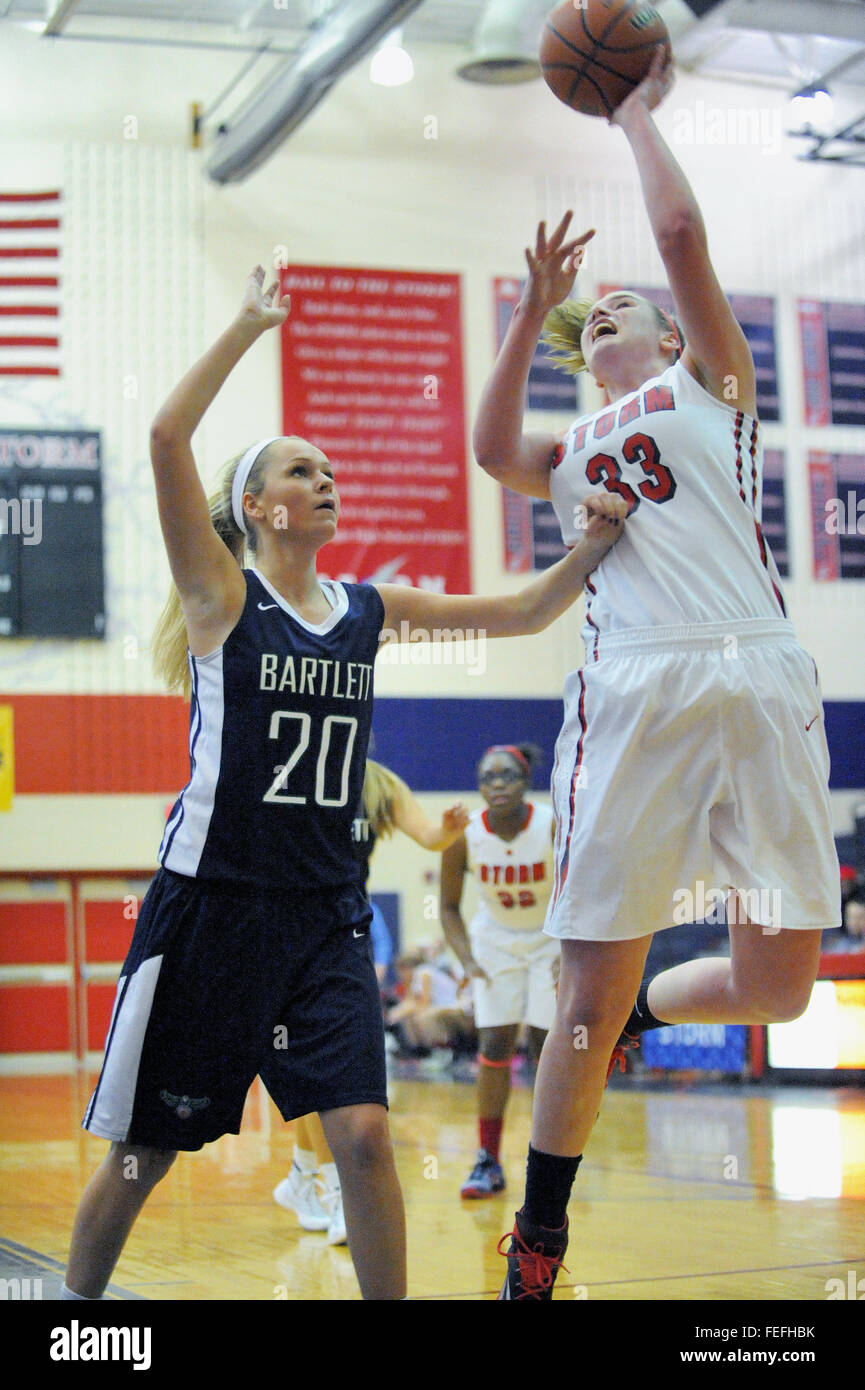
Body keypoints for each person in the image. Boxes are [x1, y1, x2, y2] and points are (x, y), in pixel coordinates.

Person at [60, 265, 628, 1302]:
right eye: (301, 469)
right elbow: (163, 443)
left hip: (324, 916)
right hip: (212, 911)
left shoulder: (364, 609)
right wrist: (244, 326)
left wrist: (592, 539)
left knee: (364, 1135)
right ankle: (74, 1318)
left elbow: (520, 614)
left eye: (329, 468)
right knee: (145, 1157)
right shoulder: (220, 597)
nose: (326, 478)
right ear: (257, 506)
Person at [473, 50, 840, 1299]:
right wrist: (533, 308)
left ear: (679, 338)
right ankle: (541, 1229)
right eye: (603, 314)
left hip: (761, 671)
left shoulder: (712, 388)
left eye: (631, 304)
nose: (614, 310)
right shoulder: (572, 445)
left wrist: (632, 116)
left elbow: (678, 226)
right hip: (631, 684)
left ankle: (643, 1019)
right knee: (587, 976)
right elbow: (486, 448)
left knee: (780, 989)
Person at [273, 760, 469, 1245]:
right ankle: (310, 1179)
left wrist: (445, 831)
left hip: (341, 933)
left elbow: (428, 836)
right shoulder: (289, 761)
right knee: (303, 1073)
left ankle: (319, 1182)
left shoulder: (378, 781)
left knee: (334, 1076)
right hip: (281, 931)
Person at [439, 743, 557, 1200]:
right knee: (494, 1043)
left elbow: (580, 885)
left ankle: (548, 1157)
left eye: (507, 775)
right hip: (495, 940)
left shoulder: (550, 823)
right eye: (488, 777)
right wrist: (467, 960)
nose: (497, 784)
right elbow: (448, 906)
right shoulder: (465, 833)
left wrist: (572, 945)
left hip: (550, 935)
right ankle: (487, 1160)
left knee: (546, 1045)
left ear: (525, 781)